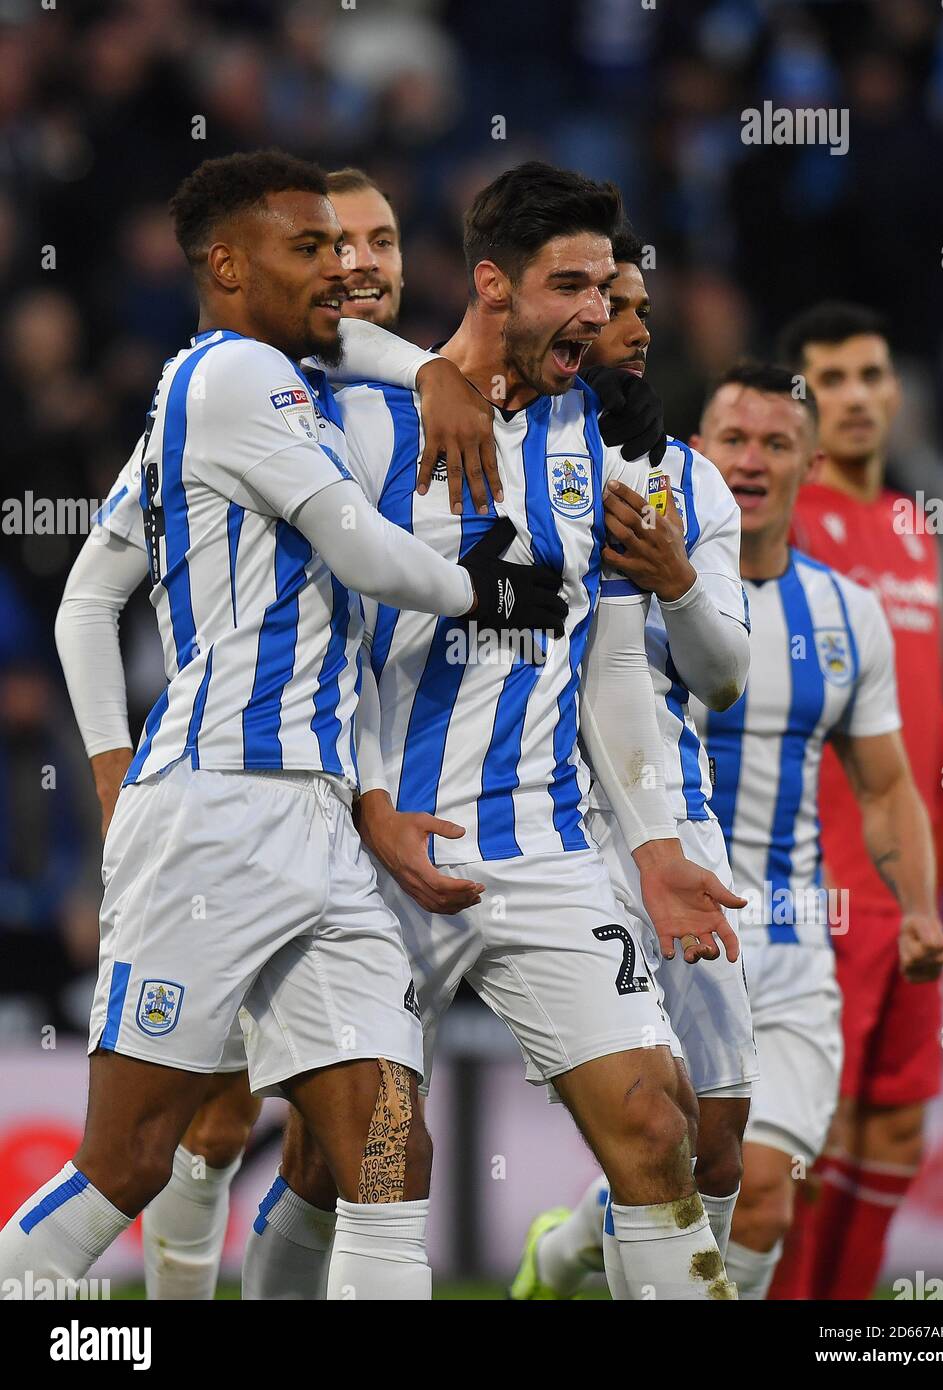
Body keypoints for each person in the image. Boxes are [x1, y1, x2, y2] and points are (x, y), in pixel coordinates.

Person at [51, 167, 670, 1300]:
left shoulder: (329, 382)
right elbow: (343, 557)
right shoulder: (244, 381)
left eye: (375, 240)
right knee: (149, 1150)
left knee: (384, 1156)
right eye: (322, 246)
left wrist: (437, 371)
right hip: (221, 801)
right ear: (235, 264)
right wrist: (109, 767)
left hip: (328, 820)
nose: (352, 264)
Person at [332, 162, 749, 1301]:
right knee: (362, 1153)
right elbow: (330, 643)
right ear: (491, 284)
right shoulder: (369, 419)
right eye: (568, 284)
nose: (594, 311)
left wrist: (657, 844)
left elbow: (613, 663)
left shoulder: (607, 443)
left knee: (655, 1118)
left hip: (543, 845)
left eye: (605, 287)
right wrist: (370, 803)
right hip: (378, 853)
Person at [509, 230, 756, 1299]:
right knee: (645, 1120)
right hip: (529, 814)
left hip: (673, 819)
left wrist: (677, 585)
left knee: (721, 1137)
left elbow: (722, 677)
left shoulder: (691, 486)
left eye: (643, 306)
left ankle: (562, 1252)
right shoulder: (499, 444)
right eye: (612, 304)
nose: (636, 325)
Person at [683, 361, 943, 1298]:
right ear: (696, 454)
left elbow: (886, 788)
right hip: (655, 947)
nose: (751, 460)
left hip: (792, 957)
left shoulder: (847, 613)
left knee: (760, 1199)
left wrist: (918, 906)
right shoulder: (632, 593)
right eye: (733, 440)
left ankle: (568, 1250)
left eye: (776, 444)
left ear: (811, 464)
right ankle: (562, 1255)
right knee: (674, 1199)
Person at [776, 302, 943, 1299]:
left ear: (895, 389)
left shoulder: (913, 525)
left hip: (909, 893)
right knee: (802, 1140)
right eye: (831, 381)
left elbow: (932, 723)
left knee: (893, 1130)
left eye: (871, 376)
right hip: (818, 883)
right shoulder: (777, 522)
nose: (858, 398)